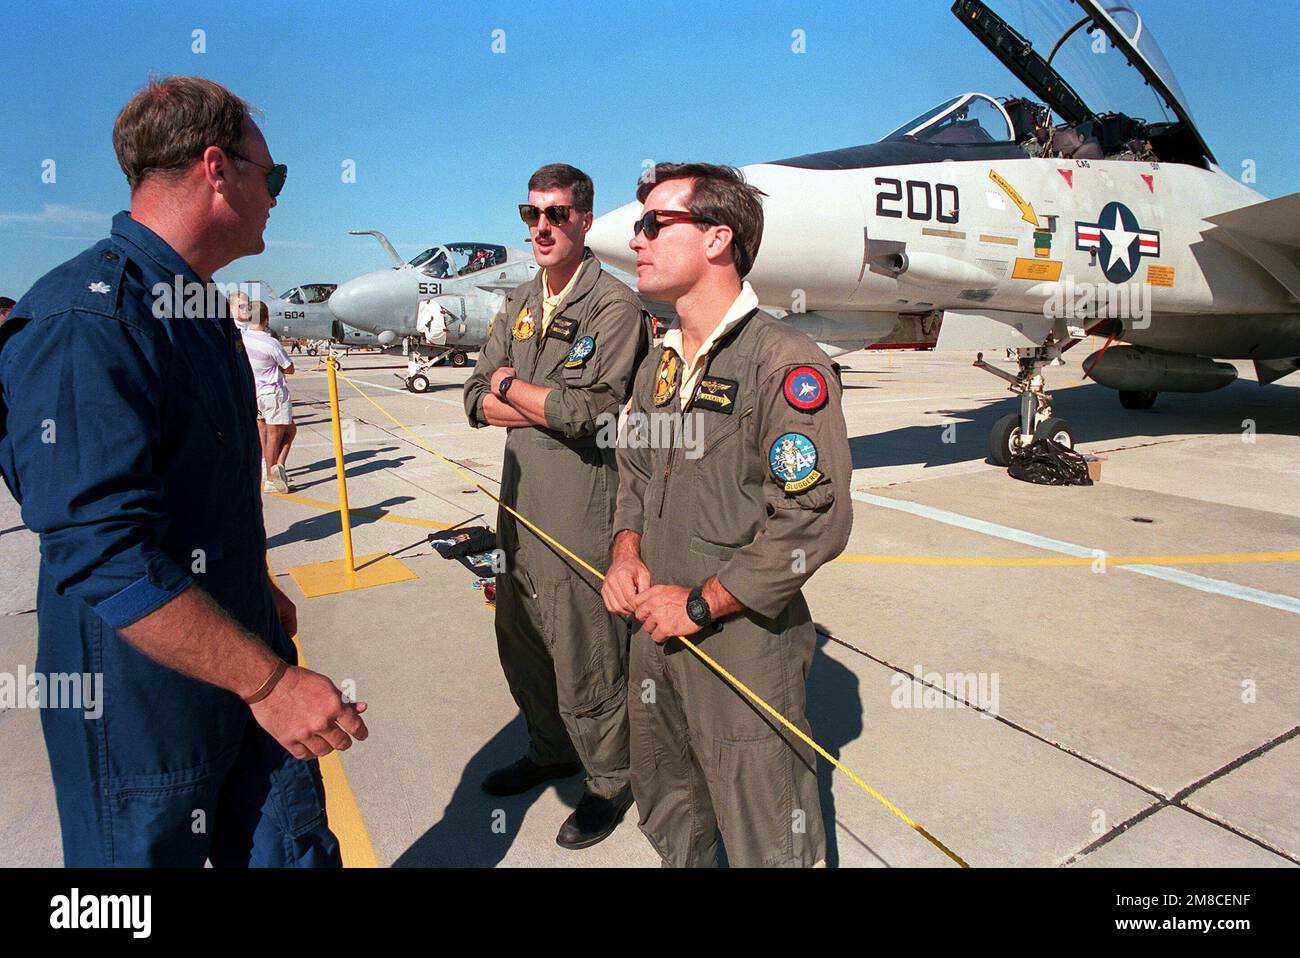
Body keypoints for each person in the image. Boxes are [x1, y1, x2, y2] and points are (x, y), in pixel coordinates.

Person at [0, 76, 366, 867]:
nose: (275, 198)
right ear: (216, 169)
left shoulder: (197, 312)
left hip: (238, 663)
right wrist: (269, 683)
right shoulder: (87, 319)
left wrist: (248, 584)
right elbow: (100, 550)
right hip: (142, 713)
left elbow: (198, 497)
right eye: (271, 177)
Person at [601, 163, 853, 867]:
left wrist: (703, 605)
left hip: (739, 642)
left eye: (655, 221)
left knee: (767, 832)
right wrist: (625, 553)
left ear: (718, 239)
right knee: (672, 811)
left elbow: (813, 525)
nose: (637, 237)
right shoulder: (661, 365)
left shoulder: (785, 364)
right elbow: (635, 471)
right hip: (654, 627)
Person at [463, 163, 652, 849]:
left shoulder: (613, 308)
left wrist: (508, 385)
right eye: (531, 214)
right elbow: (471, 397)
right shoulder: (517, 303)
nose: (542, 227)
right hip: (517, 510)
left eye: (557, 214)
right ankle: (550, 749)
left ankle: (609, 779)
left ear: (584, 221)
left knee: (585, 653)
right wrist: (519, 394)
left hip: (580, 513)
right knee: (521, 640)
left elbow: (588, 414)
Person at [242, 300, 297, 493]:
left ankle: (269, 471)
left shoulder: (241, 338)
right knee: (284, 433)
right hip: (272, 392)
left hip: (253, 392)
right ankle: (273, 476)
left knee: (263, 432)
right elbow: (289, 368)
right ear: (266, 319)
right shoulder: (271, 342)